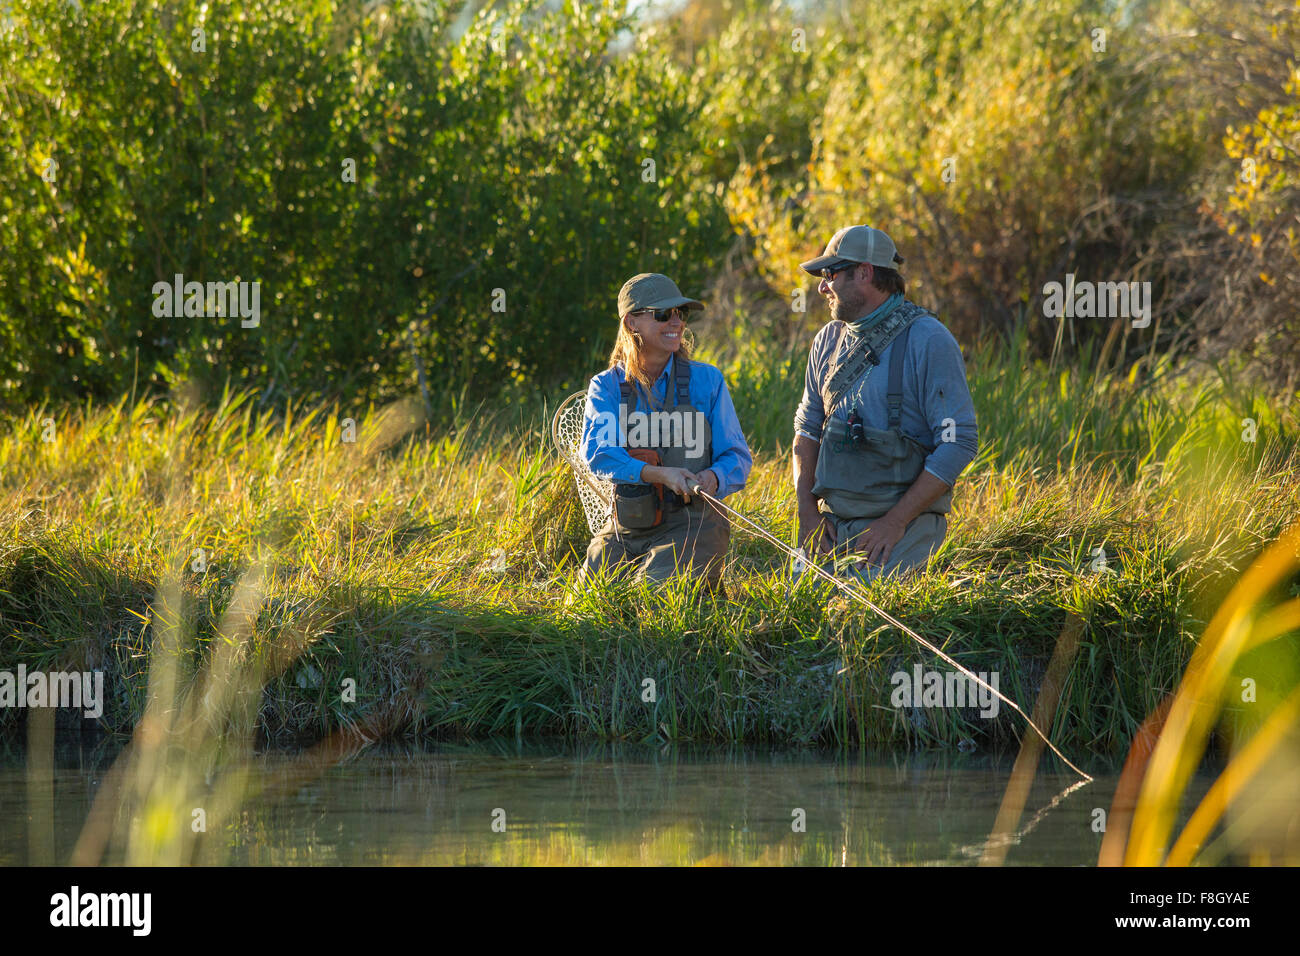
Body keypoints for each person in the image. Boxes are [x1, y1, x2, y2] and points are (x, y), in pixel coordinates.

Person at [792, 225, 978, 581]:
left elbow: (959, 443)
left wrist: (894, 522)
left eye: (830, 274)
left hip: (898, 528)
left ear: (864, 272)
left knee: (861, 618)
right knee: (799, 620)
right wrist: (807, 514)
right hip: (828, 526)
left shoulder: (929, 341)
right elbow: (806, 430)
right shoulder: (827, 340)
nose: (821, 287)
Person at [579, 273, 752, 587]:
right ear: (632, 322)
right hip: (625, 526)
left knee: (654, 598)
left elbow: (737, 458)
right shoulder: (605, 387)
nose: (676, 323)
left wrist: (712, 478)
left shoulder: (708, 381)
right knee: (586, 603)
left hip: (695, 522)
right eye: (663, 314)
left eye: (680, 314)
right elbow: (600, 455)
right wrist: (660, 475)